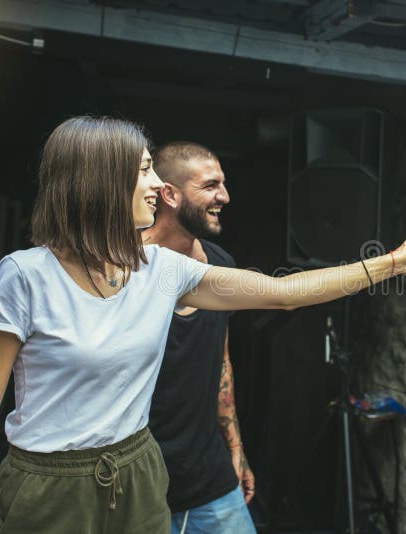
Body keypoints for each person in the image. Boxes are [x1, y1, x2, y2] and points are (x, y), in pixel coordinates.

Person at [0, 115, 406, 534]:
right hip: (48, 486)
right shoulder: (26, 275)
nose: (157, 185)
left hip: (137, 476)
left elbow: (284, 293)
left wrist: (390, 263)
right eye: (144, 171)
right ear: (100, 182)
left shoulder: (163, 272)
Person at [142, 141, 256, 533]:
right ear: (169, 195)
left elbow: (220, 363)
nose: (224, 196)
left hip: (207, 480)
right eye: (210, 186)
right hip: (135, 482)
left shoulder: (220, 265)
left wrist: (236, 447)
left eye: (222, 184)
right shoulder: (126, 269)